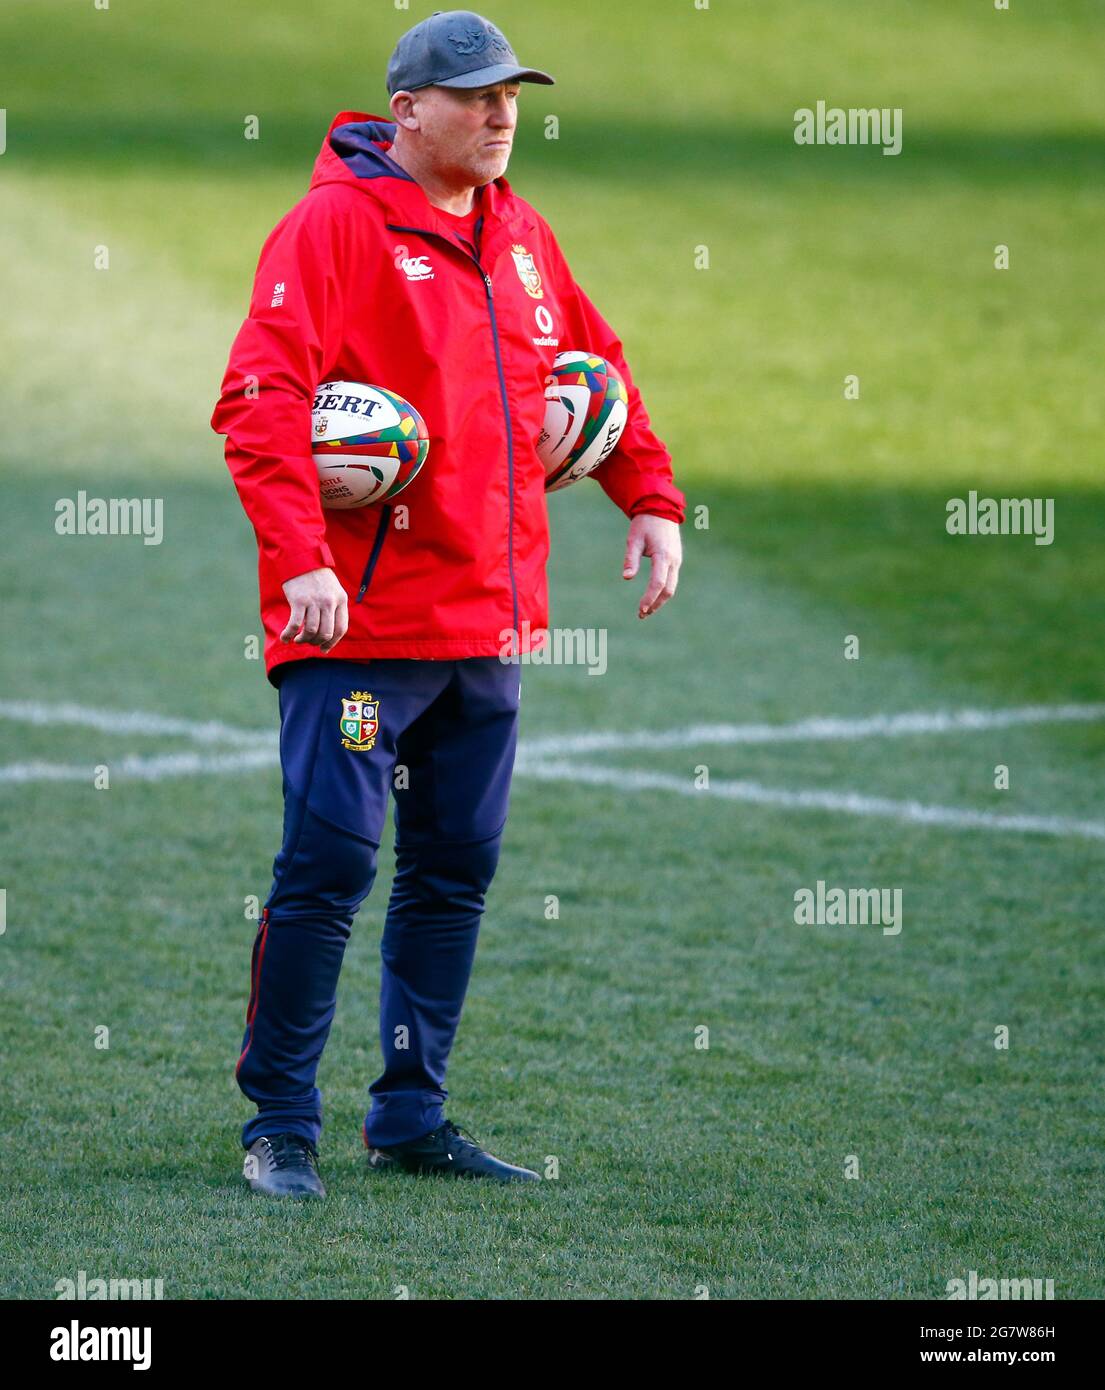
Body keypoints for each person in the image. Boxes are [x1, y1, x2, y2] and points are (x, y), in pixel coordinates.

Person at [210, 9, 684, 1198]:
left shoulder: (521, 234)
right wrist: (301, 558)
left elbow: (598, 369)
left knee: (454, 869)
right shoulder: (333, 227)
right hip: (358, 629)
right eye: (472, 95)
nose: (499, 112)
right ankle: (279, 1125)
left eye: (509, 93)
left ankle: (410, 1115)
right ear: (405, 109)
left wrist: (651, 496)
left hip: (488, 622)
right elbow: (260, 398)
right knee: (327, 867)